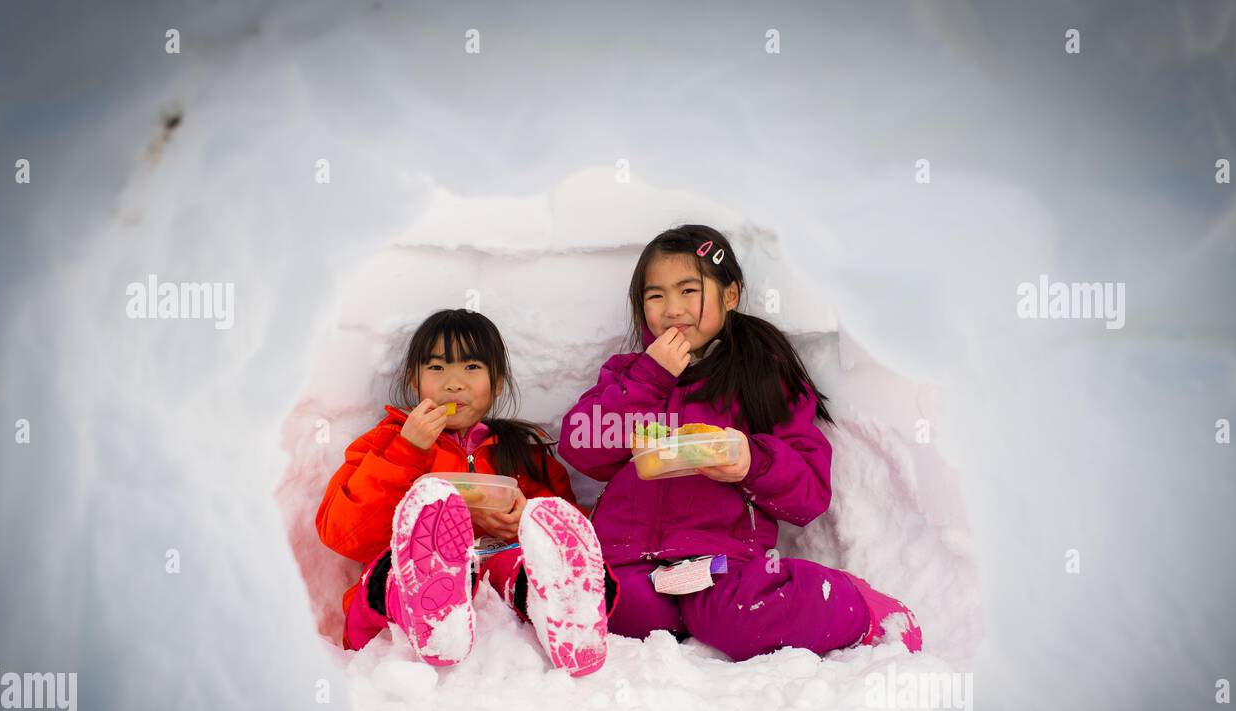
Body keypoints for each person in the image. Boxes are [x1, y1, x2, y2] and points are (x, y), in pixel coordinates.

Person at [558, 225, 921, 661]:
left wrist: (751, 461)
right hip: (631, 560)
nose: (672, 309)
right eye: (655, 296)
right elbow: (581, 445)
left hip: (719, 562)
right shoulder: (628, 374)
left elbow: (809, 495)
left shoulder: (758, 375)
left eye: (688, 290)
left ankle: (861, 609)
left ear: (730, 295)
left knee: (737, 615)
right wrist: (650, 377)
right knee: (621, 610)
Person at [316, 309, 618, 677]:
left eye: (472, 367)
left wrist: (526, 521)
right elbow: (344, 534)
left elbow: (570, 531)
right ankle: (431, 604)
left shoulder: (520, 452)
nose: (453, 383)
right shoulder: (387, 443)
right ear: (414, 380)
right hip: (394, 604)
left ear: (498, 382)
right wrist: (406, 451)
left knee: (521, 560)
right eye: (438, 368)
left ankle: (566, 611)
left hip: (497, 596)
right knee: (399, 563)